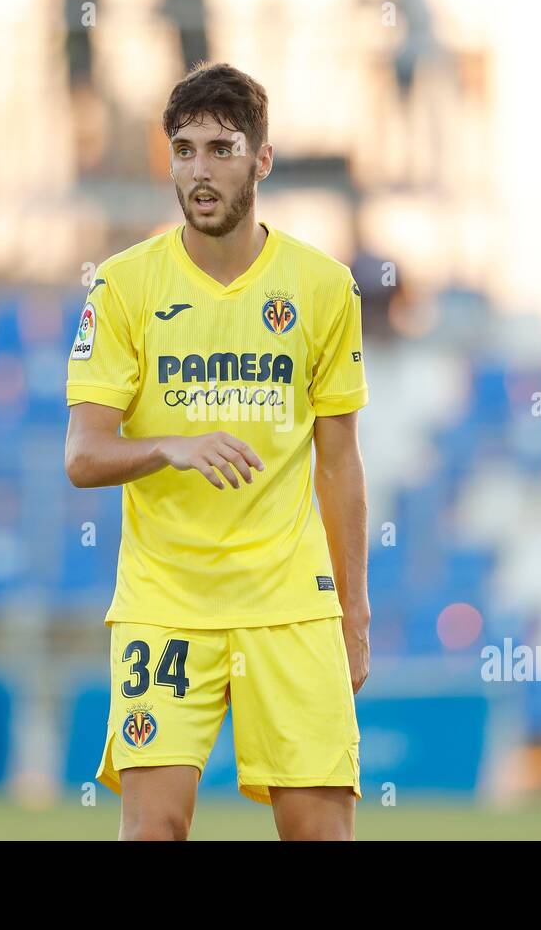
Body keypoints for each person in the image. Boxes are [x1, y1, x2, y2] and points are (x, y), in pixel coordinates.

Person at [65, 63, 370, 840]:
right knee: (152, 831)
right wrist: (171, 446)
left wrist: (354, 611)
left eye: (222, 149)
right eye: (184, 150)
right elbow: (83, 457)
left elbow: (338, 463)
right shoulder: (122, 286)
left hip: (290, 605)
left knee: (319, 834)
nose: (200, 172)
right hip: (167, 604)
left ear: (262, 159)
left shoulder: (324, 286)